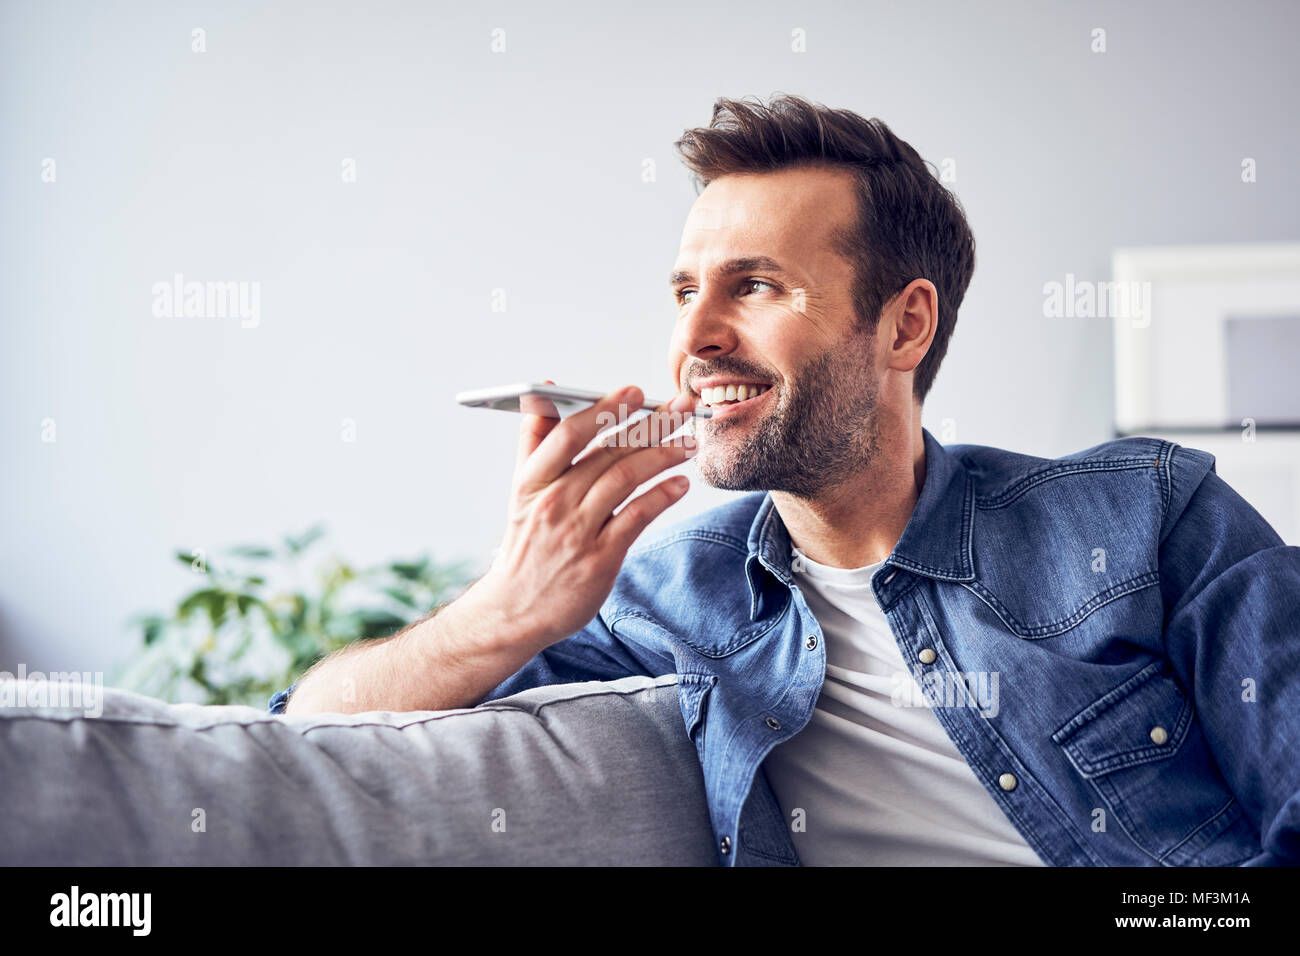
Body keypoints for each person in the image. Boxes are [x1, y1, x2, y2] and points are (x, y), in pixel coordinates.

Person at [271, 94, 1300, 867]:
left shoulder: (1144, 517)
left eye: (754, 285)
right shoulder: (666, 598)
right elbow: (306, 723)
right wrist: (506, 606)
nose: (694, 340)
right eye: (685, 291)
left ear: (904, 323)